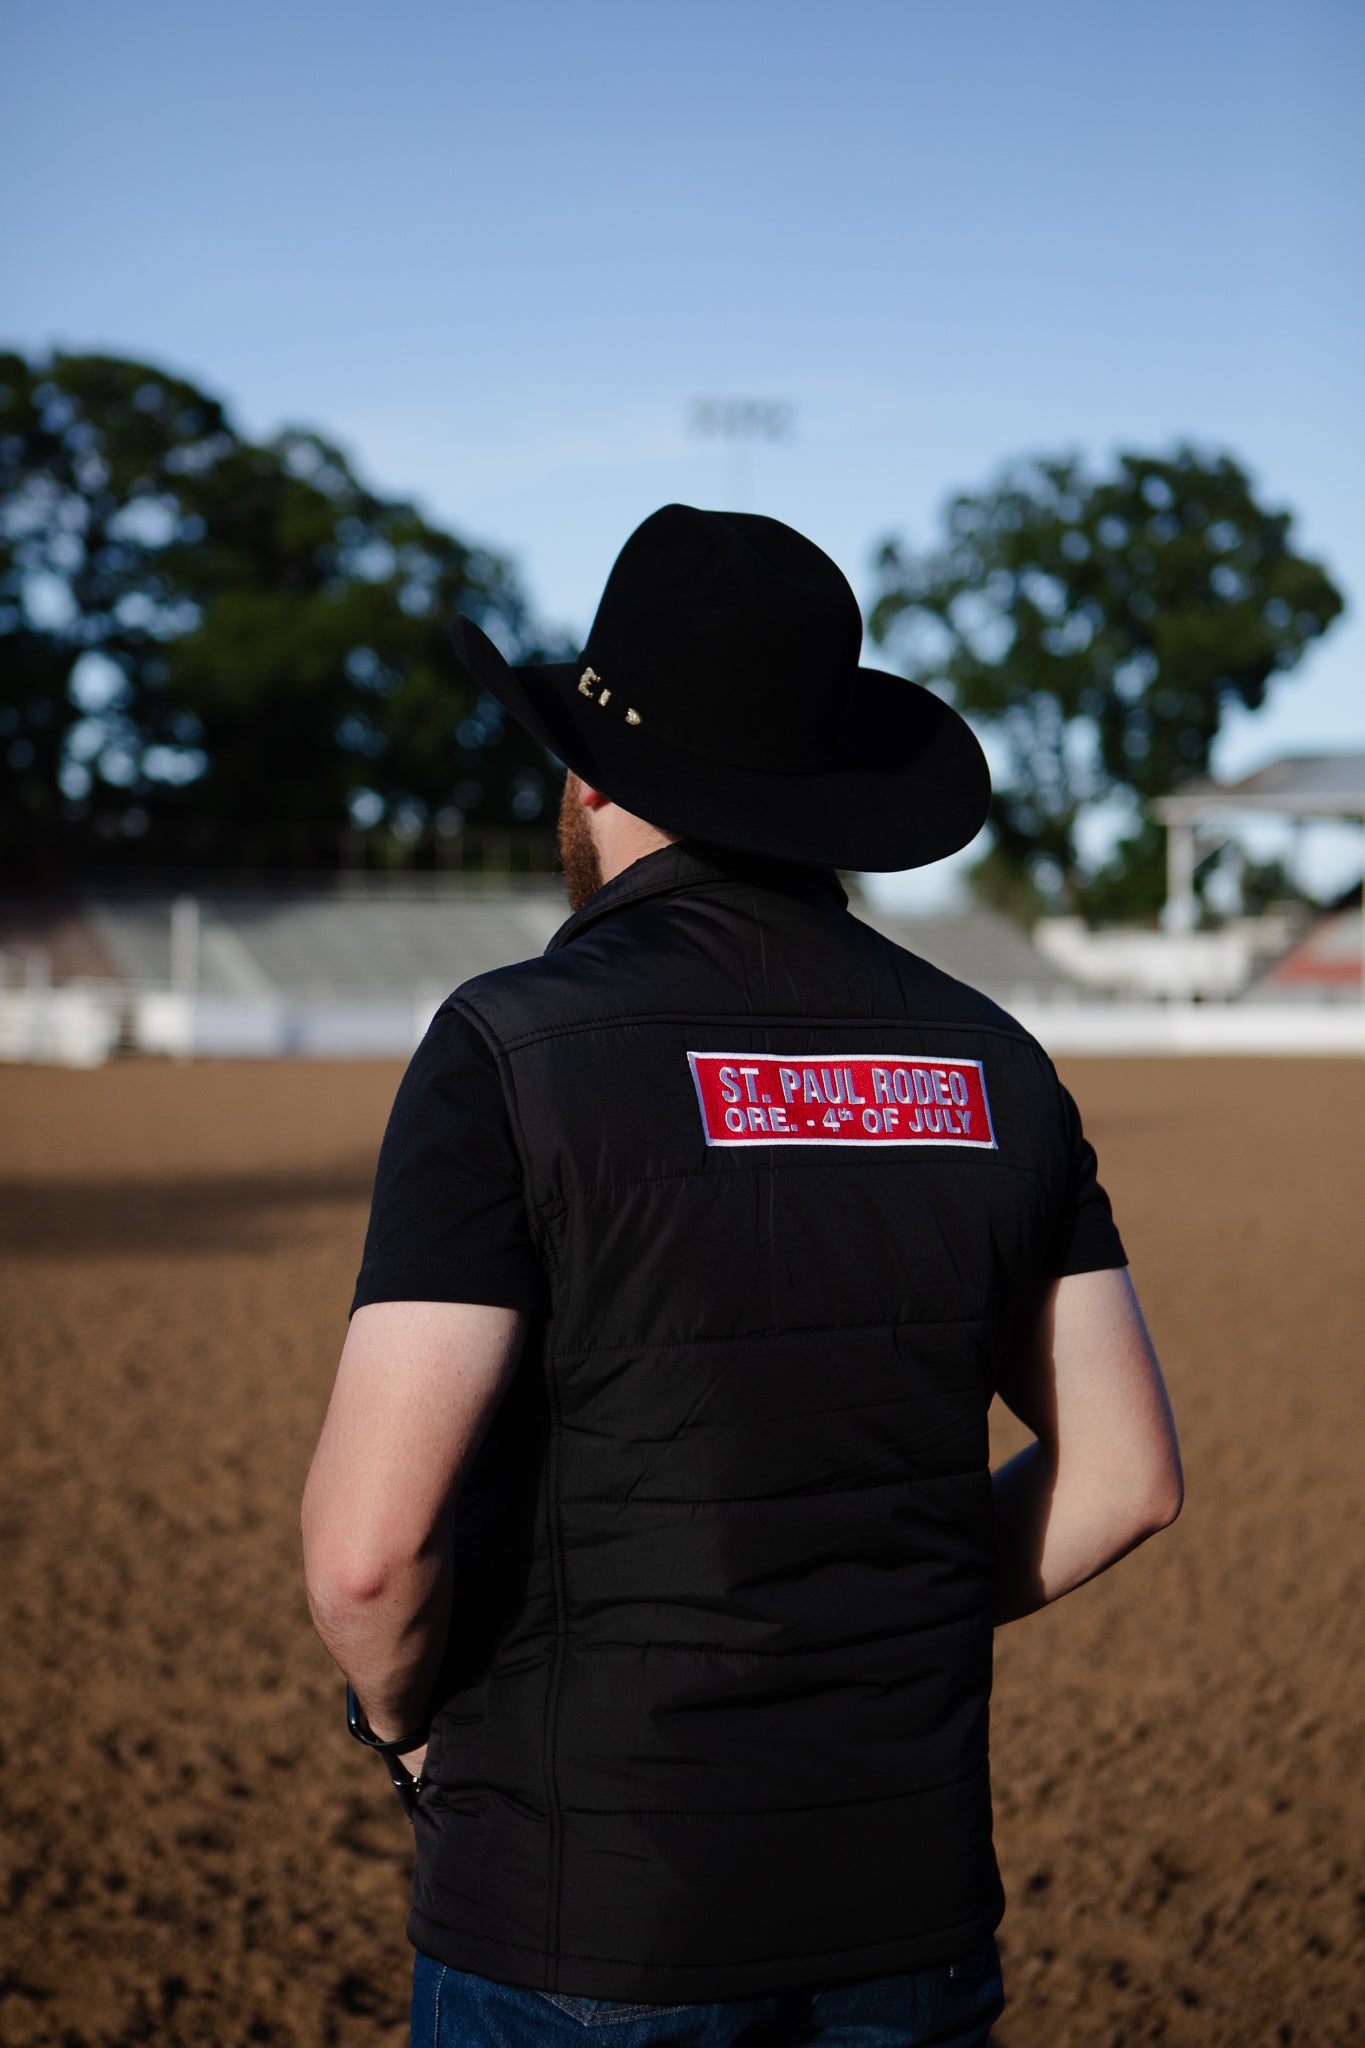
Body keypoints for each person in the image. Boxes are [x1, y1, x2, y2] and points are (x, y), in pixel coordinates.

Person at [301, 504, 1183, 2048]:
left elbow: (369, 1558)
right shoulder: (994, 1061)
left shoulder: (507, 1049)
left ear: (591, 778)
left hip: (585, 1916)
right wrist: (863, 1612)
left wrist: (408, 1733)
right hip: (903, 1921)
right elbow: (1123, 1480)